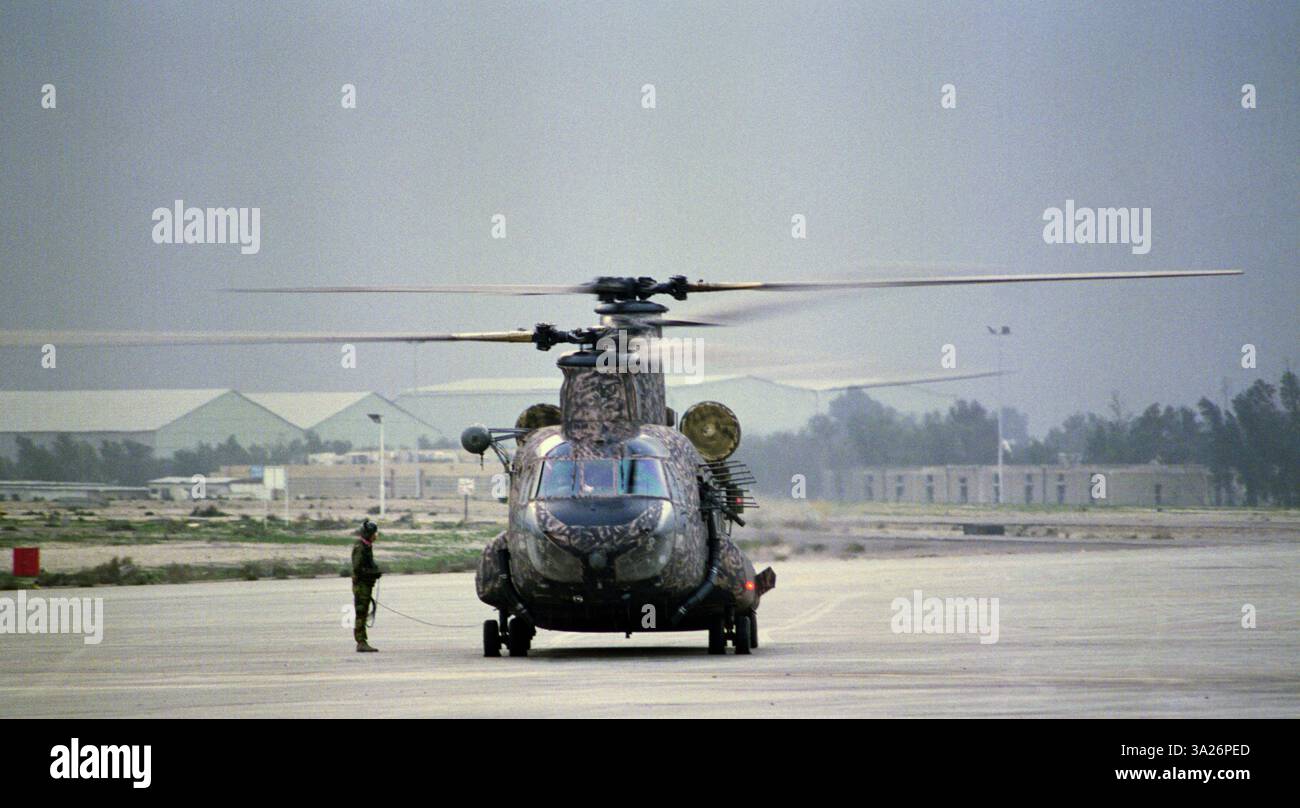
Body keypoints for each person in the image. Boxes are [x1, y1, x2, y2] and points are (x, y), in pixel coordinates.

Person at [352, 519, 383, 652]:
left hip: (366, 585)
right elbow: (358, 569)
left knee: (363, 612)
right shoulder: (360, 548)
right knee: (361, 613)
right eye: (374, 533)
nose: (376, 536)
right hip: (361, 586)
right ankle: (361, 642)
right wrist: (373, 573)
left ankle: (362, 641)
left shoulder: (367, 546)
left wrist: (375, 571)